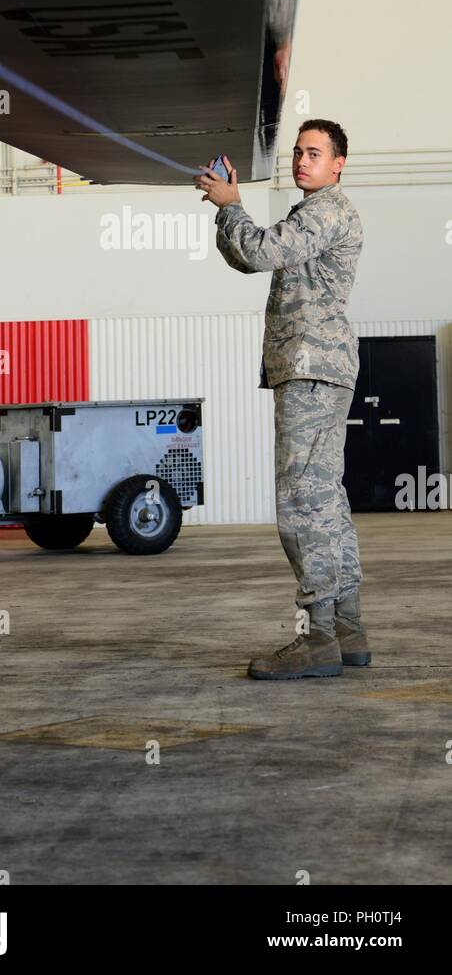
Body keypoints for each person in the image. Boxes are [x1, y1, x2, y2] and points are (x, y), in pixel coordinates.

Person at [194, 120, 369, 681]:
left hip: (312, 367)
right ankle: (348, 631)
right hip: (316, 367)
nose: (301, 160)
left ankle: (318, 638)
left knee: (302, 500)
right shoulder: (313, 211)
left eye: (314, 153)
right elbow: (248, 254)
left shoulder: (327, 210)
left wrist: (230, 204)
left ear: (338, 163)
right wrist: (229, 212)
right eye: (297, 152)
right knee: (326, 498)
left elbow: (260, 252)